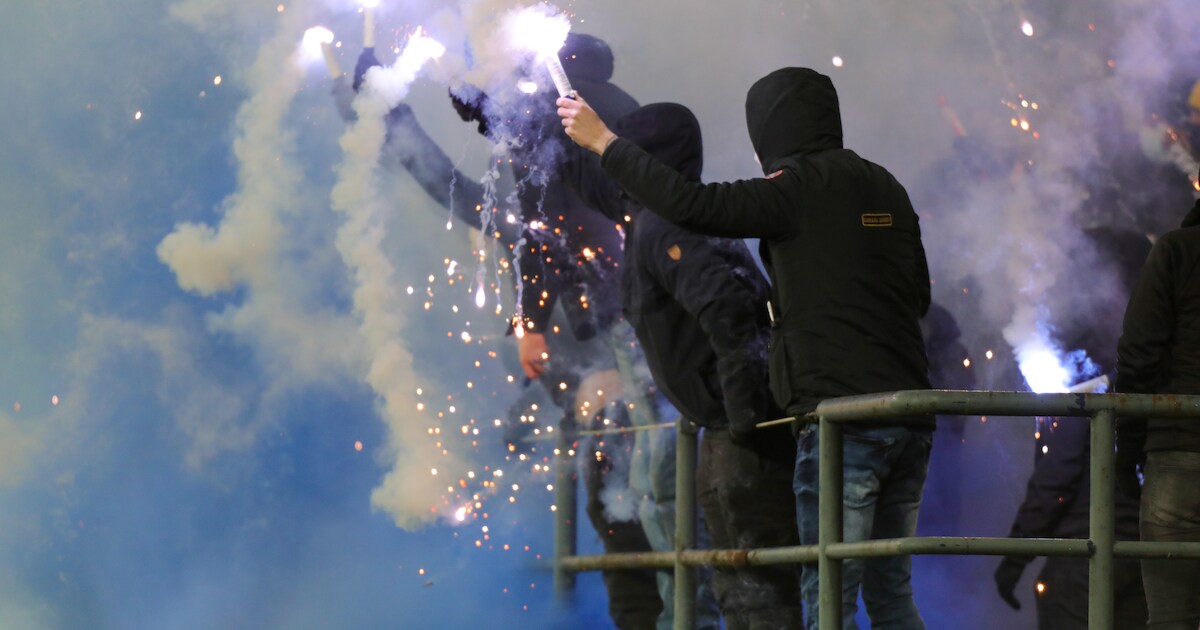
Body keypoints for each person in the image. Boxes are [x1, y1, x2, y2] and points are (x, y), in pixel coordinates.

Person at [559, 67, 934, 629]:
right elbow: (918, 296)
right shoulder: (886, 187)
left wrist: (605, 143)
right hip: (912, 412)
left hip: (841, 418)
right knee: (891, 594)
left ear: (771, 127)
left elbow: (693, 205)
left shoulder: (794, 189)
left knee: (828, 592)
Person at [564, 101, 803, 628]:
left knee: (755, 587)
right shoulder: (658, 216)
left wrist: (742, 418)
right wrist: (513, 117)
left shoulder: (670, 227)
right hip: (724, 425)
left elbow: (730, 314)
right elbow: (587, 174)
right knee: (738, 581)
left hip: (741, 432)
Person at [1116, 184, 1200, 629]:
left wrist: (1127, 449)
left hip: (1179, 455)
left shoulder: (1176, 252)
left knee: (1172, 620)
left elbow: (1138, 358)